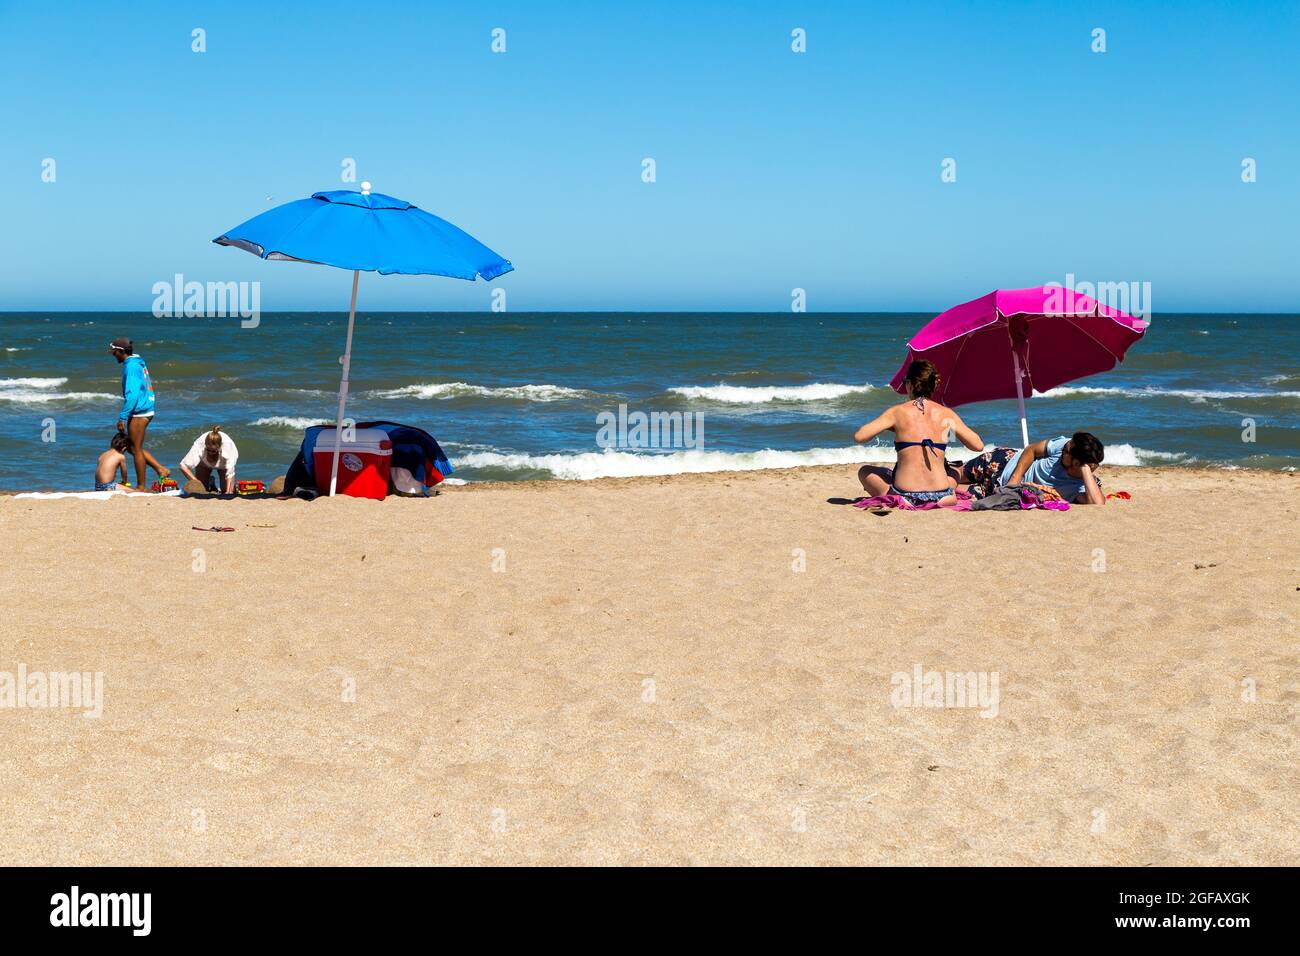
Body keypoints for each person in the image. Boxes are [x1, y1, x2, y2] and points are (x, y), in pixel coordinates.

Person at [853, 359, 984, 506]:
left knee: (864, 471)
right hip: (942, 496)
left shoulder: (897, 412)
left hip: (905, 497)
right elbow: (977, 445)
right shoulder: (946, 414)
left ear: (910, 384)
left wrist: (892, 426)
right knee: (955, 471)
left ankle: (893, 498)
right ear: (934, 386)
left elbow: (860, 436)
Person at [961, 432, 1106, 505]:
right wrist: (1015, 479)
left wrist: (1085, 469)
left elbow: (1097, 503)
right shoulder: (1064, 444)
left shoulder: (1080, 487)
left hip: (996, 490)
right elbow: (1031, 450)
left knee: (954, 488)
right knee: (955, 475)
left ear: (1077, 463)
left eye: (1066, 451)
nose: (1064, 447)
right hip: (1003, 461)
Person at [109, 336, 169, 489]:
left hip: (140, 411)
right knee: (132, 446)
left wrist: (123, 416)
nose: (112, 355)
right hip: (145, 407)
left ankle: (141, 486)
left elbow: (133, 394)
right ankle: (160, 469)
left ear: (120, 351)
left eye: (114, 352)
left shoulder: (131, 367)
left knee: (135, 449)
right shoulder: (136, 361)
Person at [179, 426, 239, 494]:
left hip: (223, 465)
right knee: (202, 491)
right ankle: (210, 483)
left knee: (226, 491)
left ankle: (220, 486)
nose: (210, 453)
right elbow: (183, 466)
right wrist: (197, 483)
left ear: (220, 446)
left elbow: (230, 473)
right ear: (205, 445)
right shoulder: (199, 445)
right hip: (204, 463)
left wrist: (228, 492)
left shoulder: (227, 447)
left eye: (213, 451)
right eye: (208, 450)